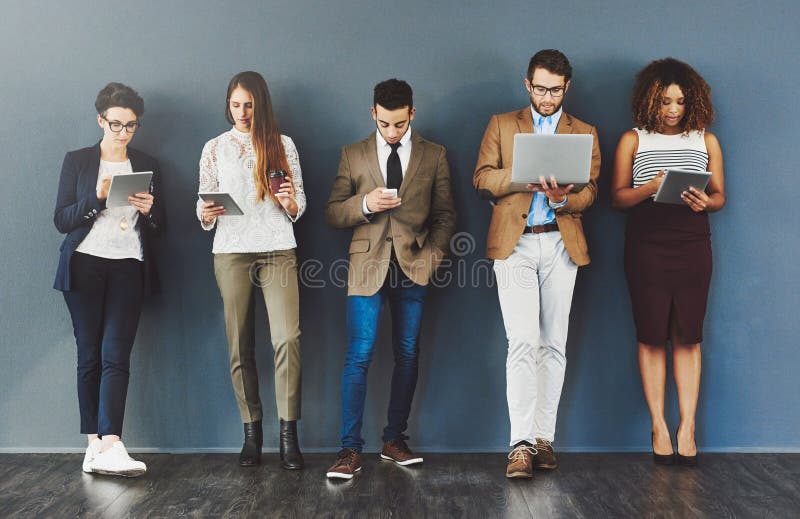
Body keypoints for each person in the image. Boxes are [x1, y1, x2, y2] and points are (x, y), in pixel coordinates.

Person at [473, 49, 601, 479]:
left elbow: (592, 191)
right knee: (523, 342)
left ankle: (545, 438)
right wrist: (519, 178)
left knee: (554, 343)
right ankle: (520, 444)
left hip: (561, 245)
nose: (548, 98)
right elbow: (481, 179)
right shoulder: (502, 124)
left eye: (556, 90)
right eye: (541, 88)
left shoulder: (583, 131)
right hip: (516, 246)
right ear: (527, 84)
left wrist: (564, 197)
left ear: (568, 88)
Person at [324, 79, 457, 479]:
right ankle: (349, 450)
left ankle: (394, 439)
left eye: (399, 124)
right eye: (385, 124)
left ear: (412, 114)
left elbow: (446, 215)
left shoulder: (435, 155)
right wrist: (365, 204)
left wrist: (431, 258)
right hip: (367, 265)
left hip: (414, 265)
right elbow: (332, 212)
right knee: (358, 356)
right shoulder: (353, 154)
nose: (392, 131)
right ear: (373, 114)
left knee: (408, 354)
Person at [611, 58, 725, 466]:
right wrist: (651, 187)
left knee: (689, 336)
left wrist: (703, 201)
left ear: (691, 102)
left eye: (680, 101)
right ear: (649, 102)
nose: (673, 109)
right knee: (651, 335)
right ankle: (659, 425)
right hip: (645, 246)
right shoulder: (632, 140)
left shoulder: (705, 140)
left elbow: (720, 198)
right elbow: (618, 198)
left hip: (693, 244)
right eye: (664, 101)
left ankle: (687, 426)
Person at [54, 82, 165, 477]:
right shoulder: (79, 161)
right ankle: (93, 446)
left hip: (128, 266)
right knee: (89, 356)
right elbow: (62, 220)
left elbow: (159, 224)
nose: (122, 133)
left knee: (116, 354)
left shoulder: (146, 163)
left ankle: (113, 443)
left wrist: (151, 210)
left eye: (130, 126)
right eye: (116, 124)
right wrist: (98, 198)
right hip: (84, 264)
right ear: (101, 119)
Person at [197, 71, 306, 469]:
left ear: (261, 104)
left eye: (249, 105)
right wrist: (205, 211)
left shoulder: (283, 145)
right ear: (227, 104)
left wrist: (290, 202)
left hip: (278, 247)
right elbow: (203, 201)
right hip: (231, 249)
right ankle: (251, 432)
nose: (242, 113)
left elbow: (300, 206)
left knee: (287, 339)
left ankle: (288, 436)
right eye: (235, 104)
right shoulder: (214, 147)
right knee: (239, 343)